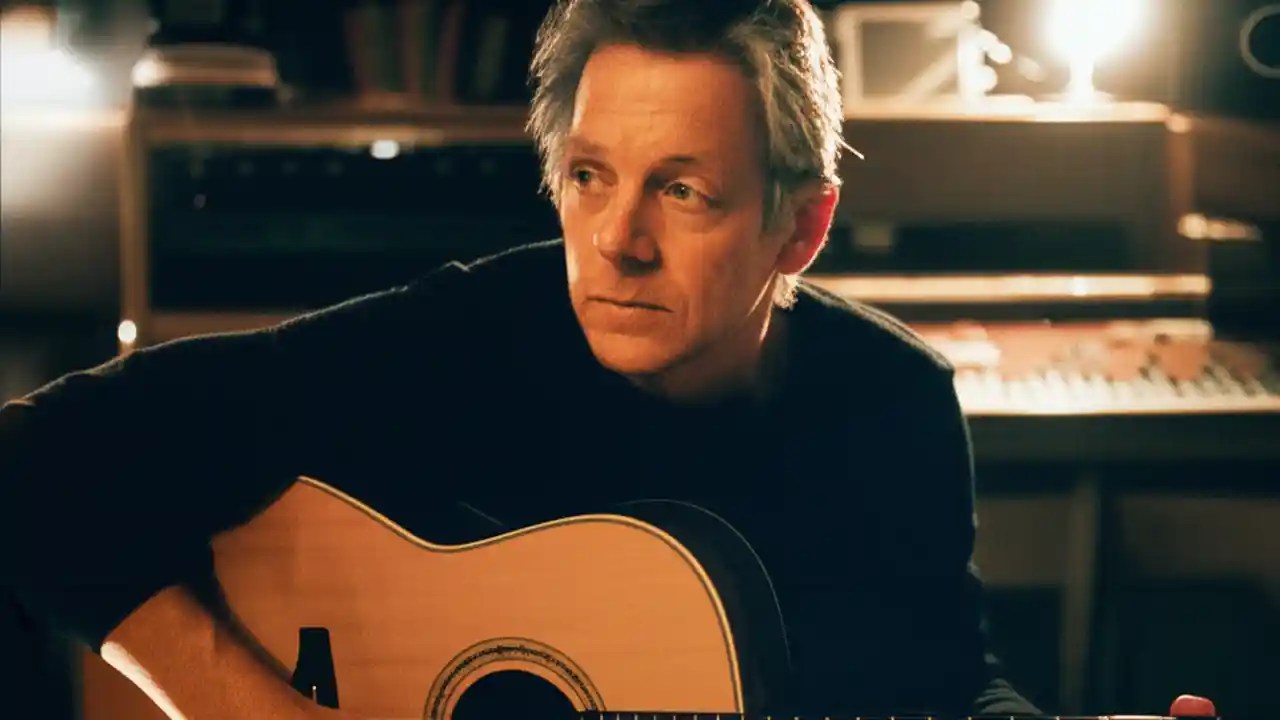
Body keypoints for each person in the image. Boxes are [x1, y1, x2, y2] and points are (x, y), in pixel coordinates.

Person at [5, 1, 1059, 717]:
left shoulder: (891, 403)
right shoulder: (459, 343)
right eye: (589, 176)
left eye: (681, 190)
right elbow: (30, 460)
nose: (617, 240)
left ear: (801, 229)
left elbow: (946, 685)